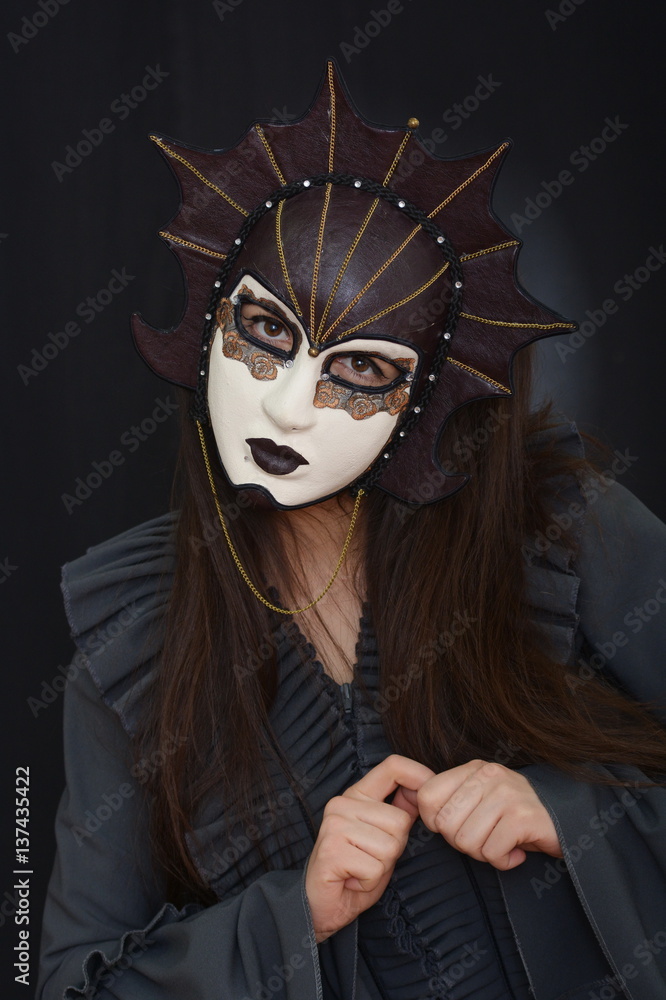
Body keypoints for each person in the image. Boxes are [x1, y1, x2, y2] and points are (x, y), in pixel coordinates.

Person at [37, 62, 666, 1000]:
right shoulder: (134, 636)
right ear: (207, 323)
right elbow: (64, 981)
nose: (290, 407)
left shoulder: (560, 527)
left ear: (428, 399)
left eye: (362, 371)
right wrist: (298, 914)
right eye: (264, 331)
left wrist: (571, 817)